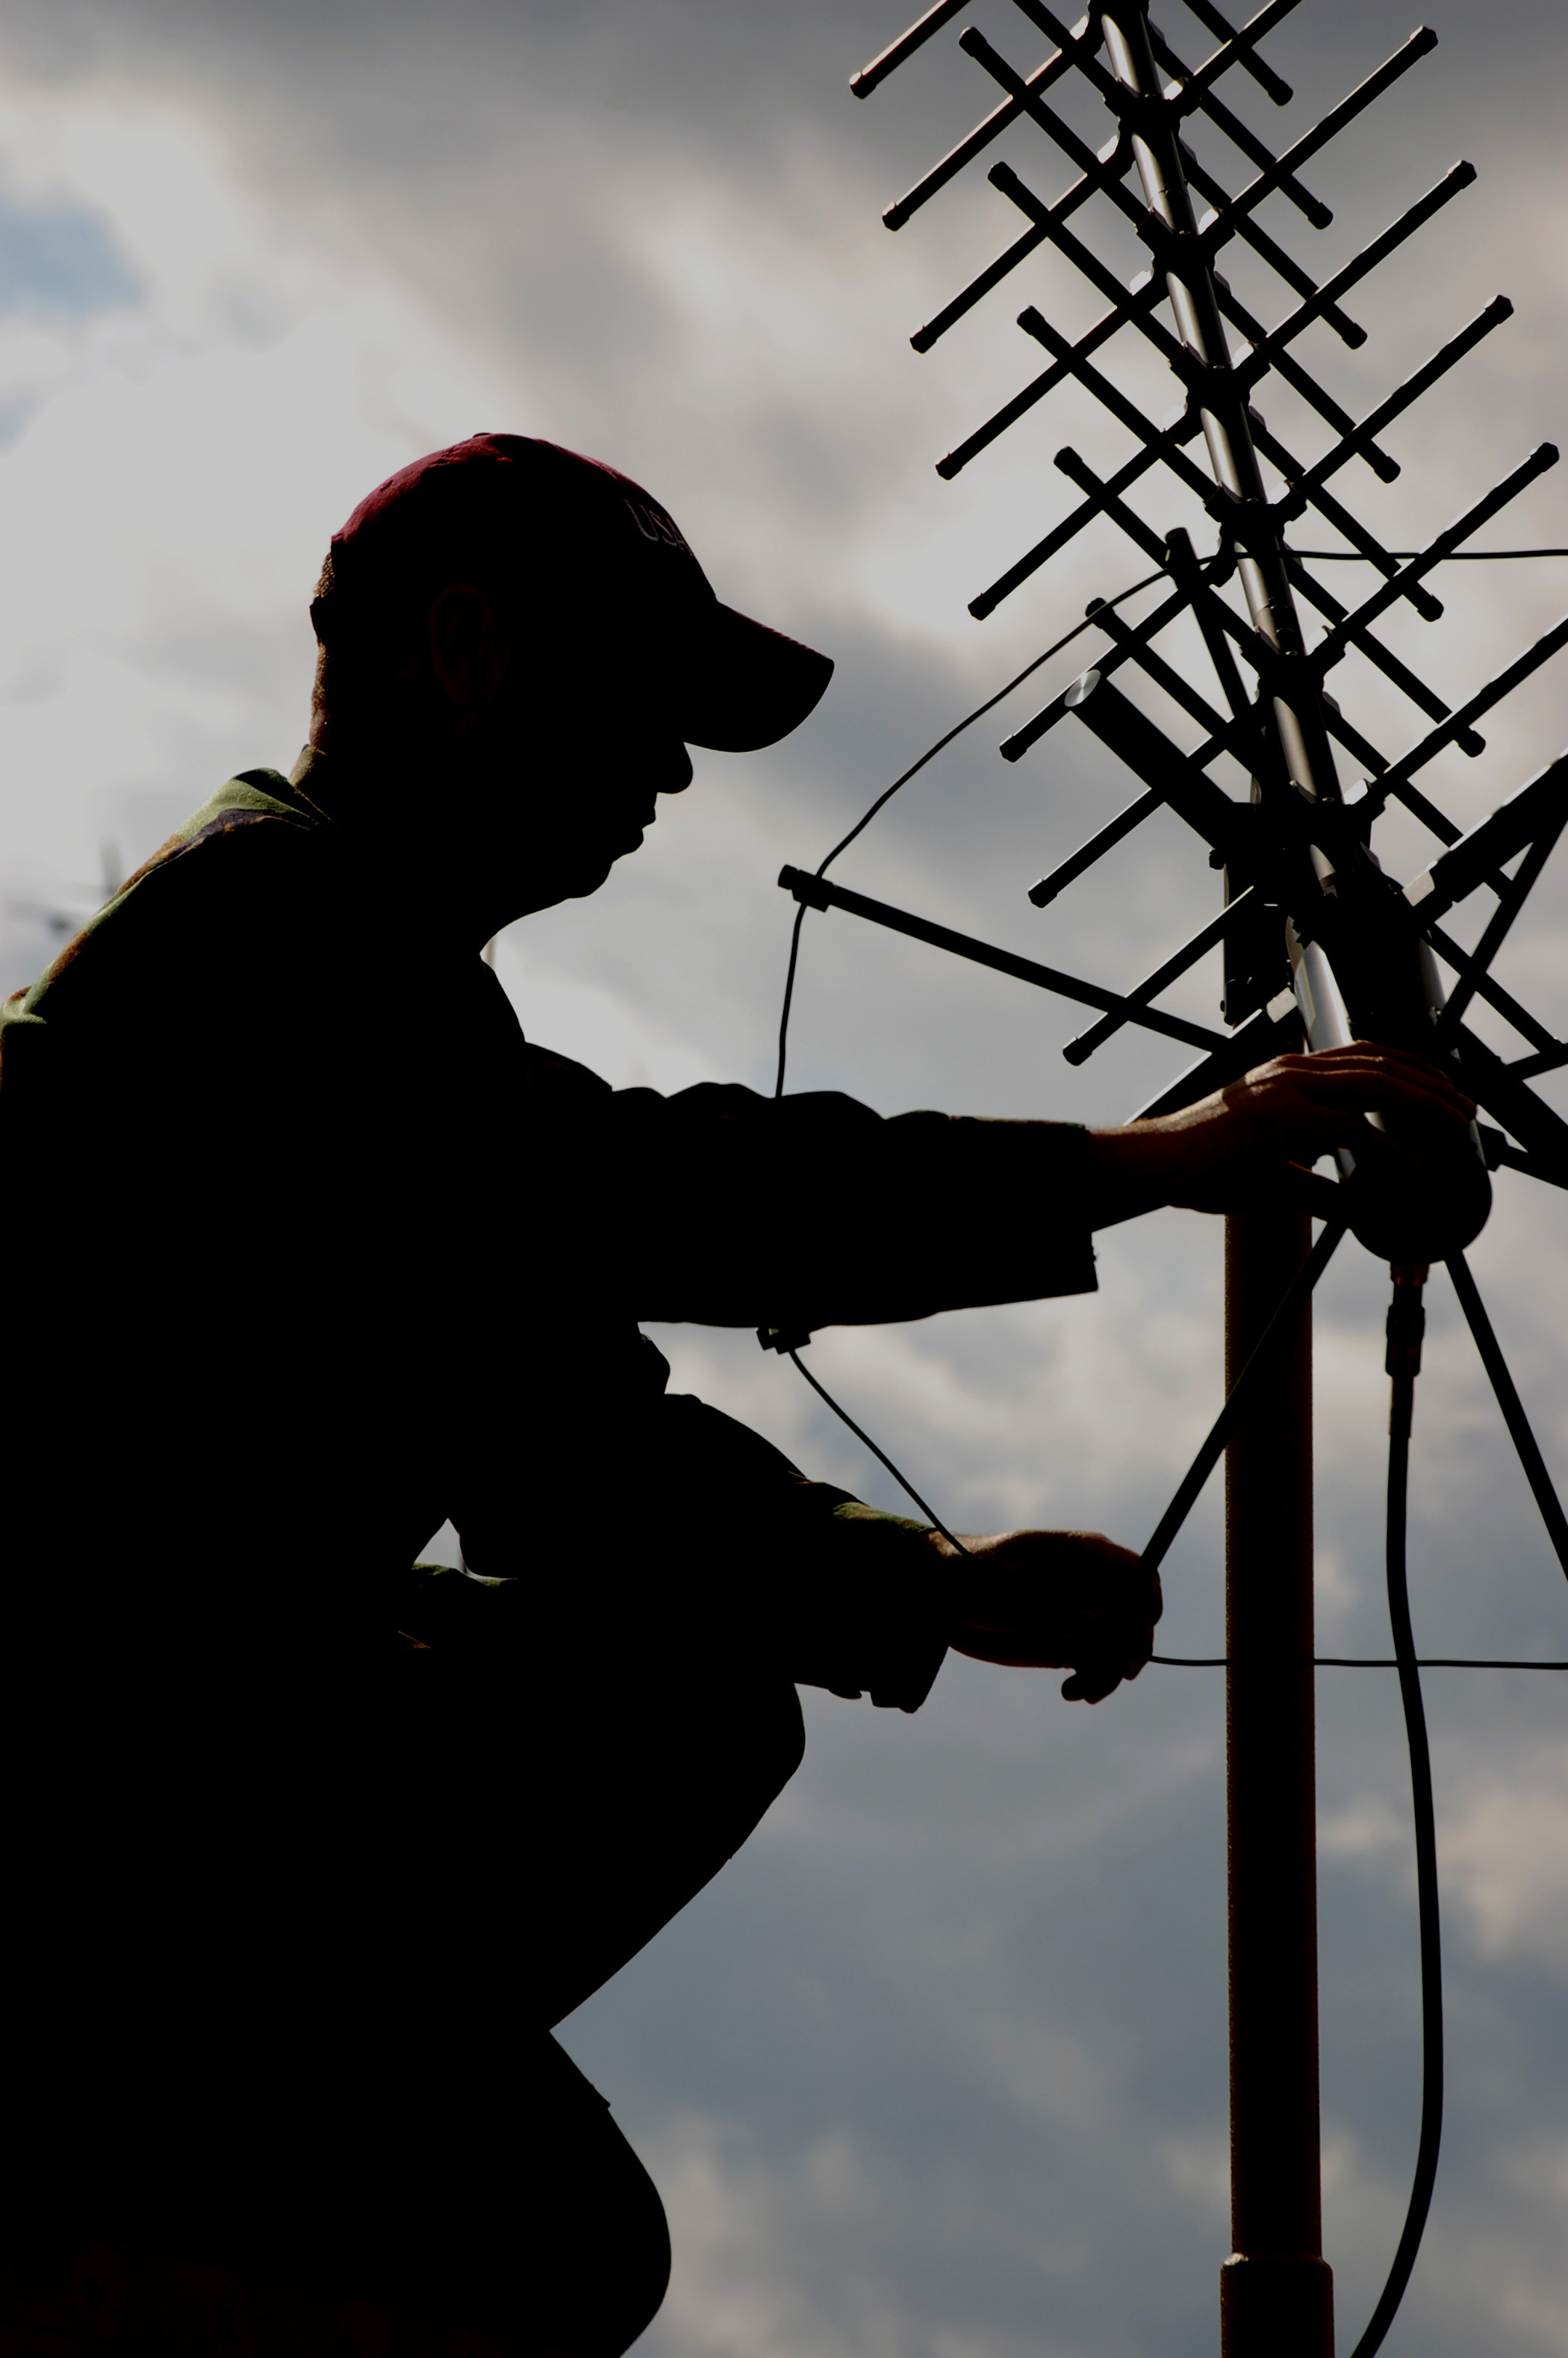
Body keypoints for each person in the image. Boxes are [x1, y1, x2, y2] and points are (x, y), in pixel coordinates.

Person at [0, 434, 1474, 2354]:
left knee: (556, 2189)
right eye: (646, 702)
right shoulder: (276, 935)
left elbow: (557, 1436)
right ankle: (122, 2138)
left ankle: (178, 2129)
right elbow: (654, 1196)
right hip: (77, 1776)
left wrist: (917, 1576)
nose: (674, 774)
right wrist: (1143, 1161)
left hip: (147, 1759)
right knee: (541, 2166)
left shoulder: (356, 996)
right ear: (466, 648)